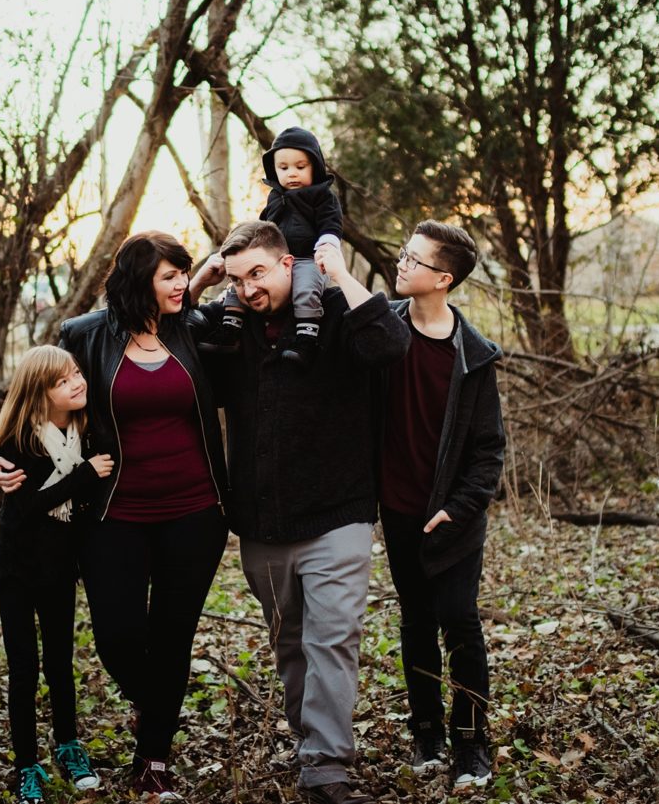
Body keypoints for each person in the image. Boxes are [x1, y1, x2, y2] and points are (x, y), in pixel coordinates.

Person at [0, 231, 229, 802]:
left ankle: (153, 758)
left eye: (185, 274)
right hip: (113, 512)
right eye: (170, 275)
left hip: (195, 511)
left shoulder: (194, 330)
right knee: (117, 638)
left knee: (174, 635)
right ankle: (160, 710)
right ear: (139, 280)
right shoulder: (84, 335)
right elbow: (36, 399)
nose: (181, 284)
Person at [191, 219, 409, 804]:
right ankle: (311, 743)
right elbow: (151, 335)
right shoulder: (228, 328)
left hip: (339, 512)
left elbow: (392, 344)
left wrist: (337, 271)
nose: (247, 289)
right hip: (261, 524)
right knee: (290, 645)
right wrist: (201, 281)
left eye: (257, 273)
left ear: (289, 264)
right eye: (236, 279)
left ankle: (325, 770)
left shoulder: (334, 314)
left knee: (332, 638)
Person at [378, 221, 505, 791]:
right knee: (415, 622)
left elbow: (488, 450)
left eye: (414, 259)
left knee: (460, 622)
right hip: (398, 509)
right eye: (404, 254)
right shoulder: (384, 331)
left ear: (443, 278)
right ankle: (426, 731)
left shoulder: (473, 356)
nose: (402, 263)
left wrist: (459, 507)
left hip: (453, 518)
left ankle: (472, 741)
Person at [0, 345, 114, 803]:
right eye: (63, 381)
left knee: (60, 666)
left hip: (59, 569)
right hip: (18, 570)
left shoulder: (86, 426)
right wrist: (84, 476)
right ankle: (25, 767)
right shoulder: (22, 441)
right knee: (24, 671)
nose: (77, 382)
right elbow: (28, 506)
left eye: (76, 373)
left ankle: (68, 746)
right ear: (40, 393)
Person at [216, 126, 343, 365]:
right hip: (274, 259)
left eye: (300, 167)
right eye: (283, 168)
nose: (291, 174)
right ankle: (229, 329)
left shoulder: (322, 196)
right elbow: (261, 228)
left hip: (307, 259)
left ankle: (306, 337)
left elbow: (331, 224)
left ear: (314, 166)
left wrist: (327, 245)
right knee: (239, 283)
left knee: (305, 289)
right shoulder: (274, 197)